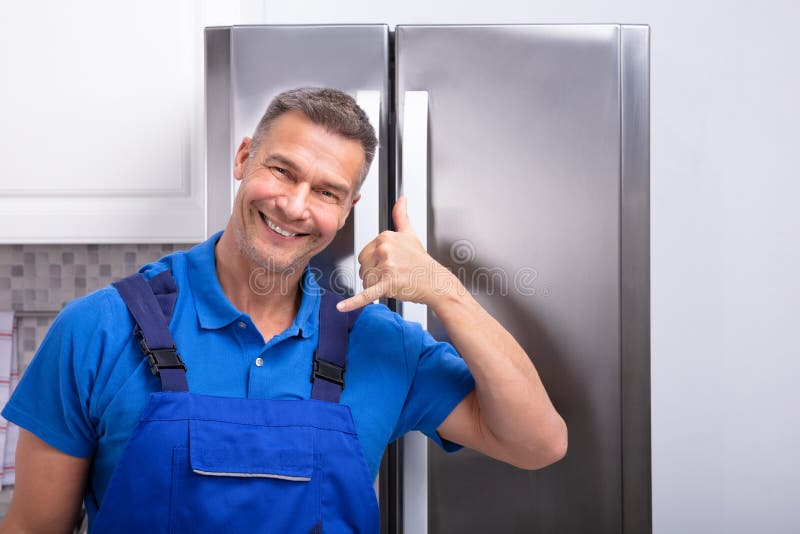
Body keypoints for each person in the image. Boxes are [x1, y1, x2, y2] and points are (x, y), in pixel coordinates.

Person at [0, 88, 567, 533]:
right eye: (282, 170)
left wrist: (446, 291)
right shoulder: (97, 330)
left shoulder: (381, 344)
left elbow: (538, 443)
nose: (294, 206)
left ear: (347, 211)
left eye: (326, 192)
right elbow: (32, 527)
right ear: (244, 157)